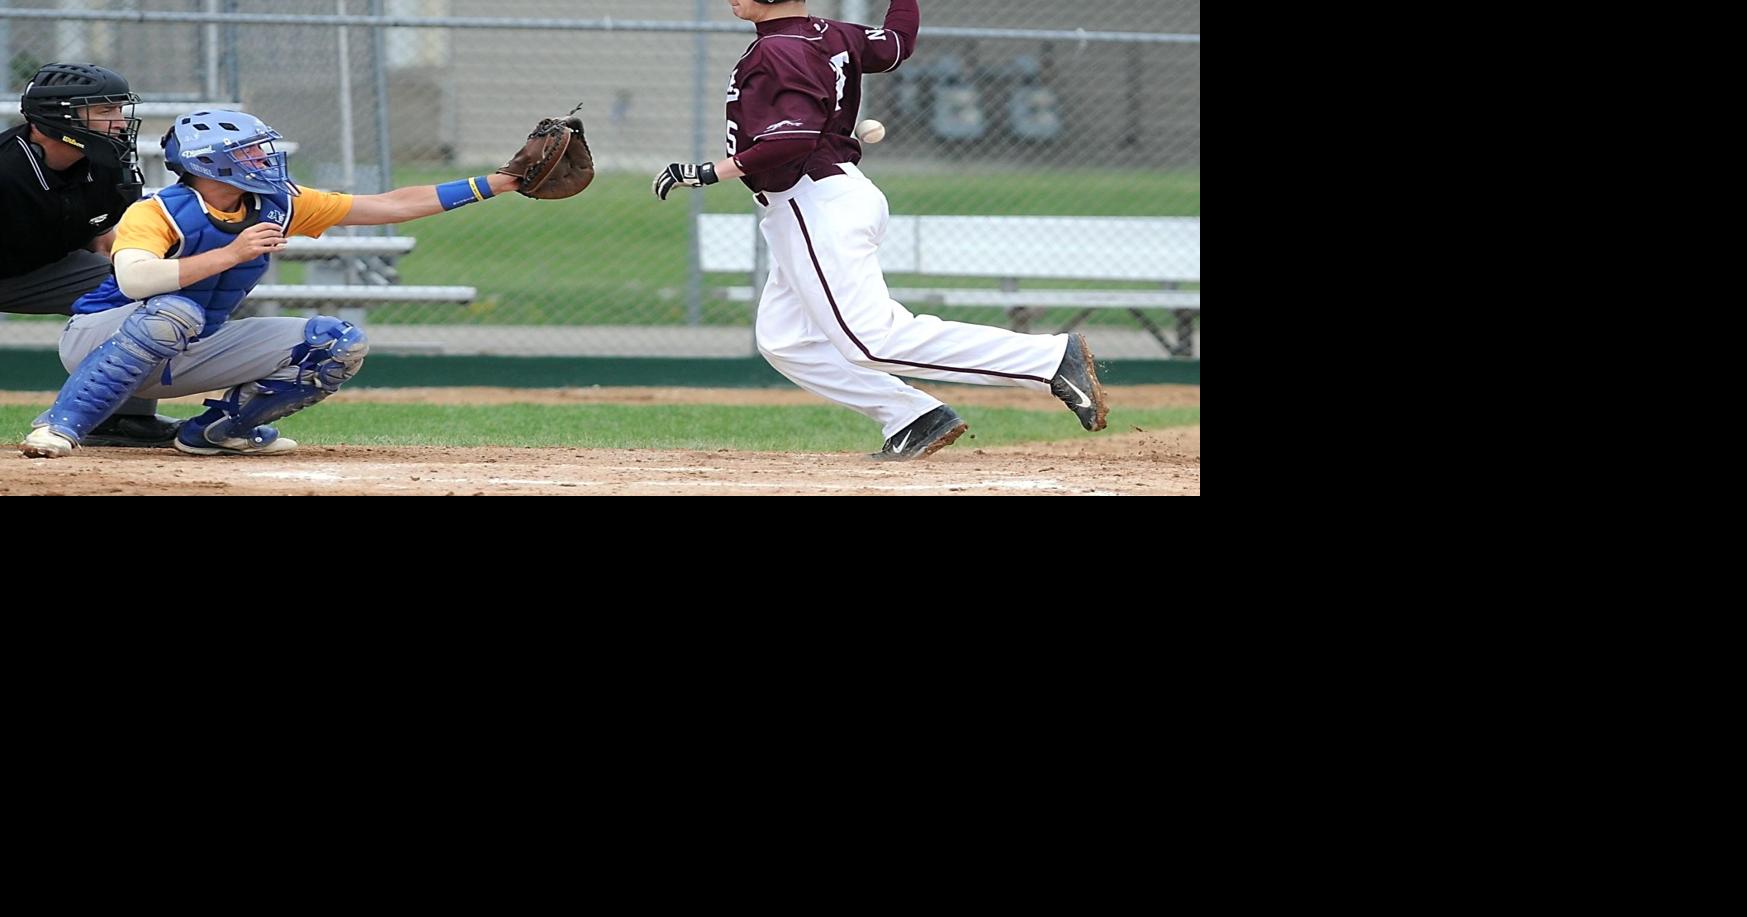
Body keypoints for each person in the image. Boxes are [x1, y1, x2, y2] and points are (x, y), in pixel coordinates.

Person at [653, 0, 1108, 461]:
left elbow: (792, 140)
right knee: (786, 340)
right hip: (825, 200)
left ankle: (1049, 360)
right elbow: (895, 45)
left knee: (872, 340)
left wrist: (707, 172)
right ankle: (914, 417)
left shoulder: (780, 49)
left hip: (813, 203)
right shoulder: (829, 33)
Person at [19, 108, 523, 459]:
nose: (264, 159)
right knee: (177, 310)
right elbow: (134, 280)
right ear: (209, 161)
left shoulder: (277, 202)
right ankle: (60, 427)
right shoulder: (157, 211)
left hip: (191, 345)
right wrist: (231, 254)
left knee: (336, 343)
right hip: (97, 338)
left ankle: (217, 432)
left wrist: (498, 183)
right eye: (249, 153)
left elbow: (389, 206)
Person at [0, 62, 180, 447]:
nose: (118, 121)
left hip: (39, 269)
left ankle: (121, 418)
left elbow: (102, 237)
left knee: (143, 290)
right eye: (103, 111)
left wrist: (150, 269)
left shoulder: (105, 165)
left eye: (118, 109)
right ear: (56, 116)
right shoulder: (7, 169)